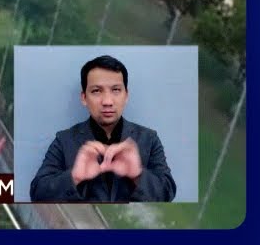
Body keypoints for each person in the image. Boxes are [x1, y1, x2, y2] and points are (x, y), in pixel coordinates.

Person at [29, 55, 176, 202]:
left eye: (116, 90)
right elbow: (37, 193)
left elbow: (168, 193)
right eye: (96, 91)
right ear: (84, 98)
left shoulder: (149, 139)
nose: (107, 101)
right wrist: (75, 176)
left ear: (126, 95)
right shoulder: (64, 140)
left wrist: (137, 174)